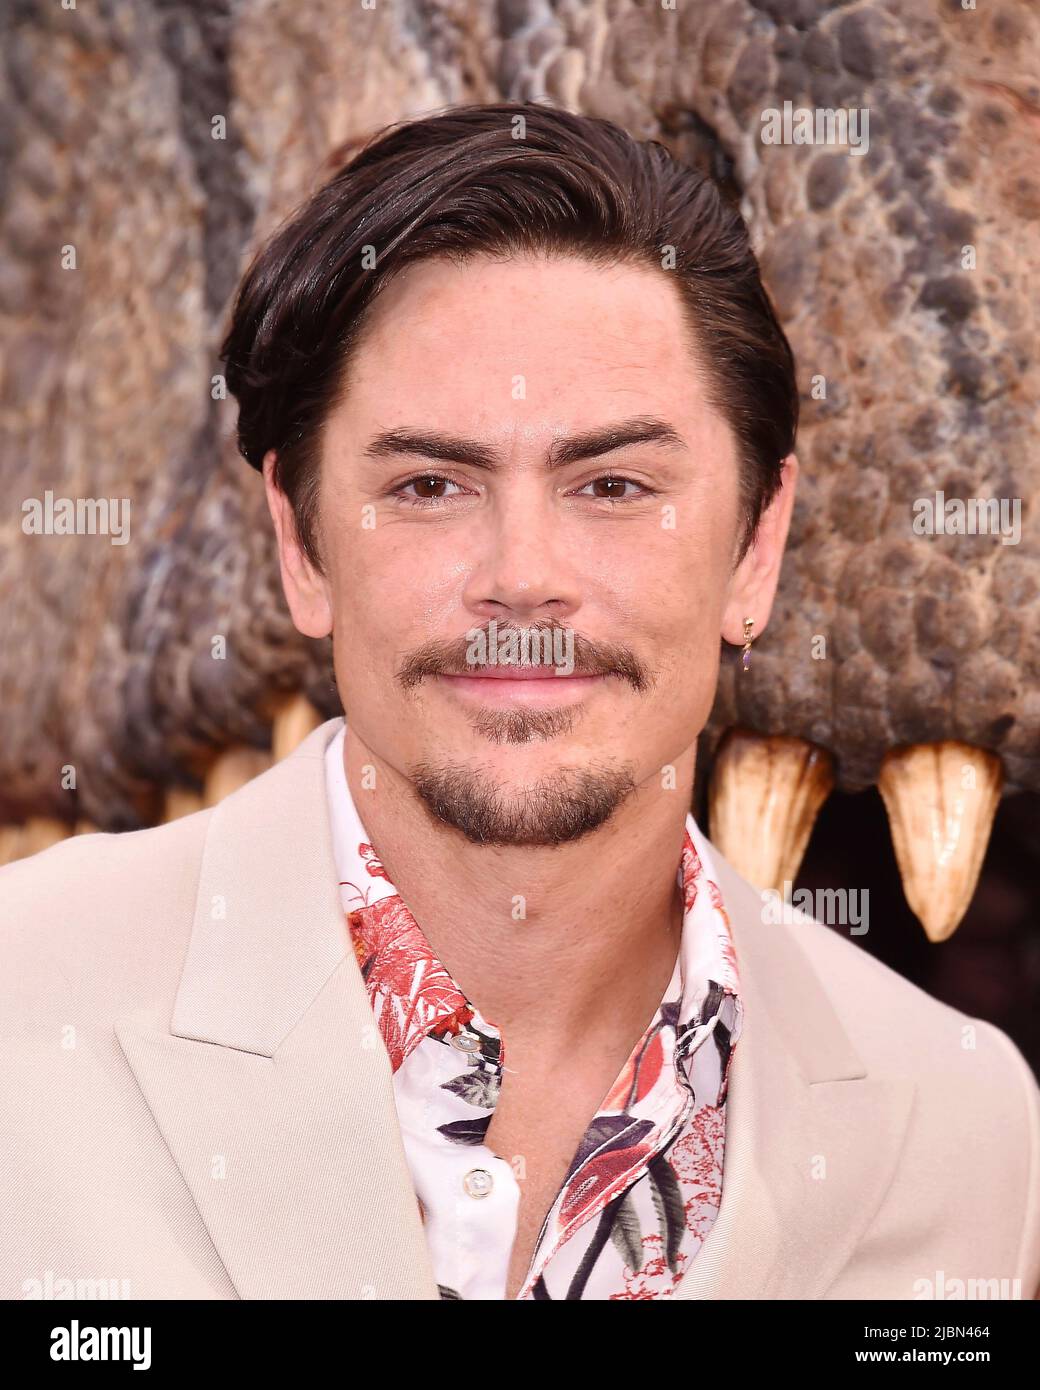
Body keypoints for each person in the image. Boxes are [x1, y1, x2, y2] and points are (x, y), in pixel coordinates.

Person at [2, 103, 1037, 1301]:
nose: (522, 575)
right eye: (429, 484)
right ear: (300, 544)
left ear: (755, 547)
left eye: (613, 484)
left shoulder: (964, 1128)